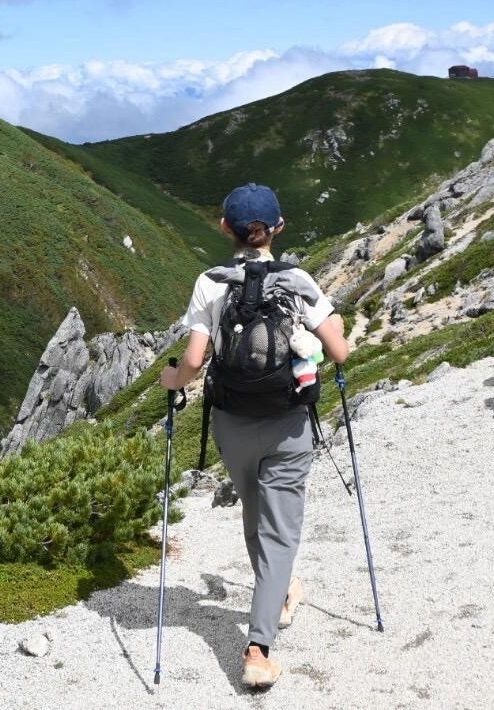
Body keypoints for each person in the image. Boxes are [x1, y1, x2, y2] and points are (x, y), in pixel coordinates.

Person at [159, 182, 350, 689]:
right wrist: (334, 325)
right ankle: (258, 649)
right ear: (278, 228)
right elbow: (340, 352)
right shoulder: (297, 279)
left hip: (232, 422)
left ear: (226, 227)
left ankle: (280, 592)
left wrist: (170, 380)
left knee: (254, 513)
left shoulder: (210, 282)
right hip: (288, 422)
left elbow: (194, 361)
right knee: (280, 529)